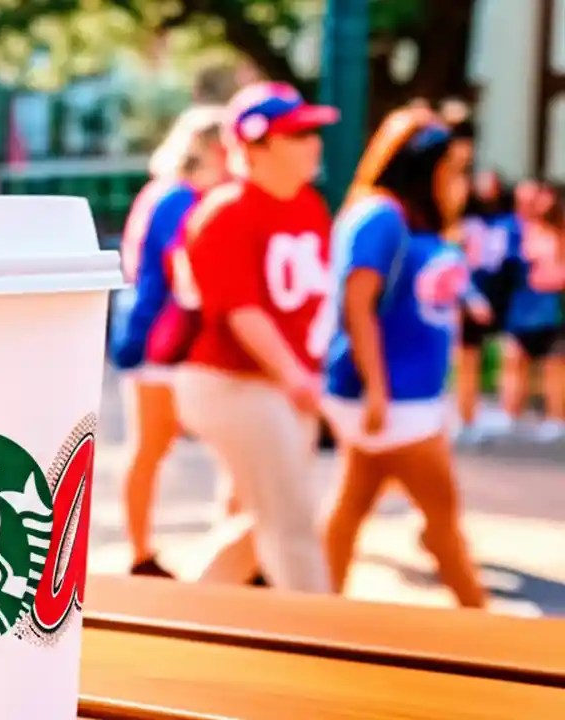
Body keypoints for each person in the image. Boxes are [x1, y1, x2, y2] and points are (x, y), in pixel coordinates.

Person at [174, 82, 338, 594]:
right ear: (256, 145)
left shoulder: (309, 205)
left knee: (267, 518)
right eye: (298, 134)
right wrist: (294, 376)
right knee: (292, 523)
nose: (313, 143)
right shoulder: (226, 211)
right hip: (232, 384)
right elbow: (241, 312)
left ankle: (188, 606)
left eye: (312, 132)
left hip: (285, 386)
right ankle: (317, 632)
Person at [321, 108, 488, 607]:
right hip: (394, 401)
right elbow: (356, 305)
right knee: (443, 525)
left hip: (407, 398)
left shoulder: (412, 221)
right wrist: (377, 389)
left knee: (352, 506)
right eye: (452, 168)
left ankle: (320, 610)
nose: (460, 181)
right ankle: (485, 625)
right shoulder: (380, 215)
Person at [108, 106, 228, 578]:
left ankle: (148, 549)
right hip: (163, 342)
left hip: (153, 336)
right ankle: (141, 553)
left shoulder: (162, 192)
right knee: (153, 446)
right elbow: (188, 276)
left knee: (157, 446)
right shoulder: (181, 198)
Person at [453, 170, 515, 444]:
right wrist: (471, 297)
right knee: (467, 358)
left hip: (502, 296)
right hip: (471, 298)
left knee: (508, 356)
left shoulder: (509, 224)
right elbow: (456, 263)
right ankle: (466, 416)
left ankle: (502, 413)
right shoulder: (463, 224)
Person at [499, 181, 565, 441]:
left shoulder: (559, 232)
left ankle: (556, 419)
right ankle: (509, 416)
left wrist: (547, 276)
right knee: (514, 360)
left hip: (553, 310)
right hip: (523, 309)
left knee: (554, 365)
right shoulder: (518, 230)